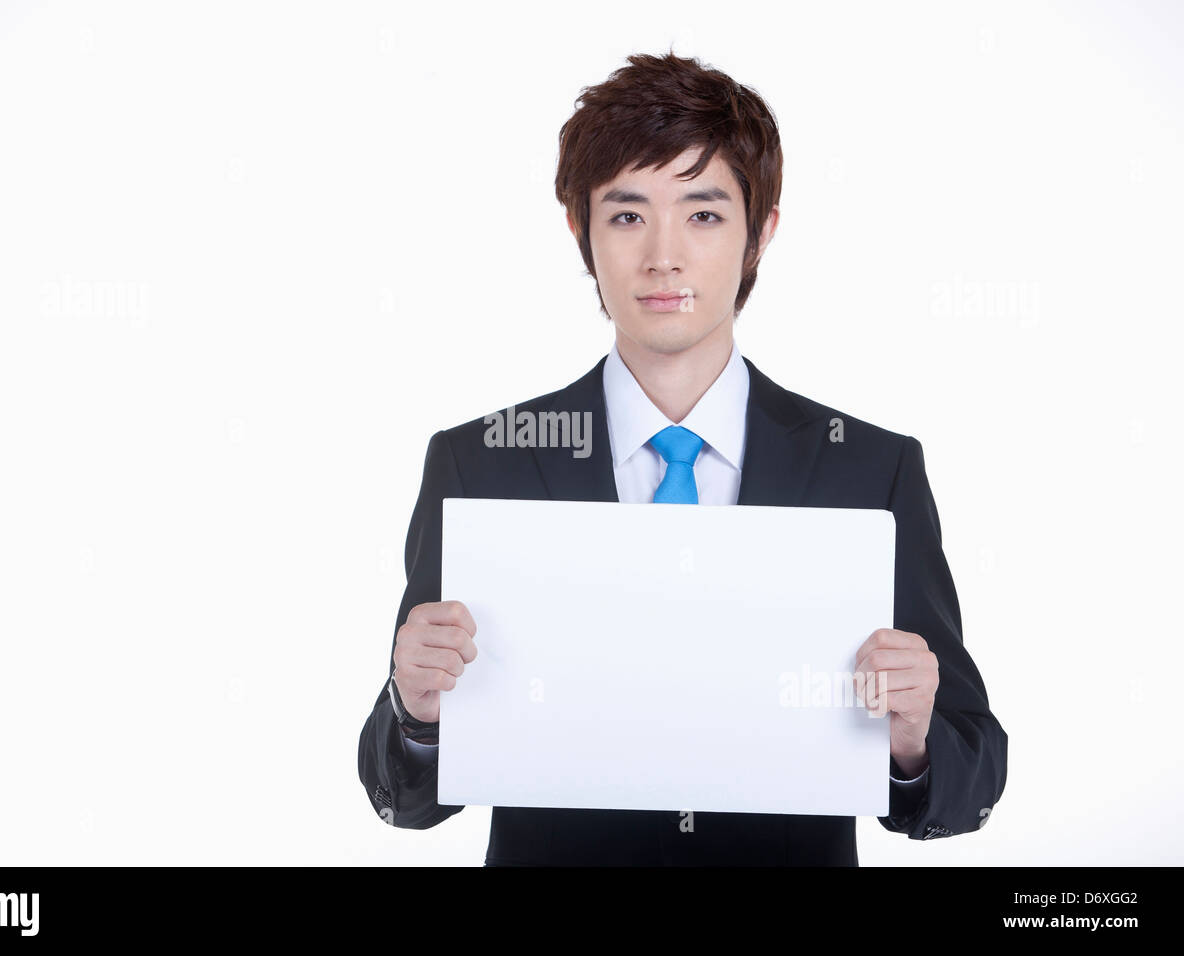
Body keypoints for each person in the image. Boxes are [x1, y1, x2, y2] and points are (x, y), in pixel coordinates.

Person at [357, 51, 1008, 865]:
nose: (663, 256)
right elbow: (400, 799)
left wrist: (912, 739)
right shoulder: (481, 464)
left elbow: (972, 783)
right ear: (581, 232)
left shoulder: (871, 473)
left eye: (703, 214)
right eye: (627, 215)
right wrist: (416, 711)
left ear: (759, 232)